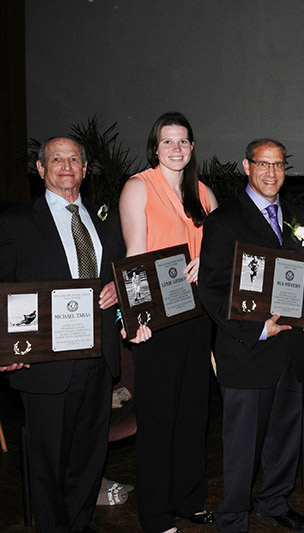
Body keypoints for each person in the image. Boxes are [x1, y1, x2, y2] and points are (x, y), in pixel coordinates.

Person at [0, 137, 126, 532]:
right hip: (43, 364)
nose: (66, 166)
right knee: (47, 462)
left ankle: (78, 522)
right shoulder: (15, 223)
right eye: (56, 159)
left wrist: (119, 290)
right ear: (41, 169)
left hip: (98, 358)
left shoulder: (103, 222)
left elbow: (120, 276)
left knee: (88, 457)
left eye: (74, 159)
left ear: (86, 170)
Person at [198, 138, 304, 533]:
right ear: (246, 167)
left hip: (291, 350)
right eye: (263, 164)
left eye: (279, 165)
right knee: (242, 445)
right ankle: (233, 517)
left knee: (284, 437)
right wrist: (257, 329)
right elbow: (211, 290)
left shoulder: (297, 216)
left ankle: (274, 502)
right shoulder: (224, 220)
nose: (271, 172)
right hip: (247, 350)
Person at [118, 112, 218, 533]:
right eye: (167, 142)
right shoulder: (137, 188)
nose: (176, 149)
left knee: (194, 414)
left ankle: (189, 500)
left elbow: (222, 255)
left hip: (198, 318)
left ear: (192, 147)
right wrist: (136, 320)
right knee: (159, 419)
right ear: (155, 148)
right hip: (159, 322)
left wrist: (206, 262)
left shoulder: (204, 194)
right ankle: (154, 513)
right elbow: (135, 261)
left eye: (183, 142)